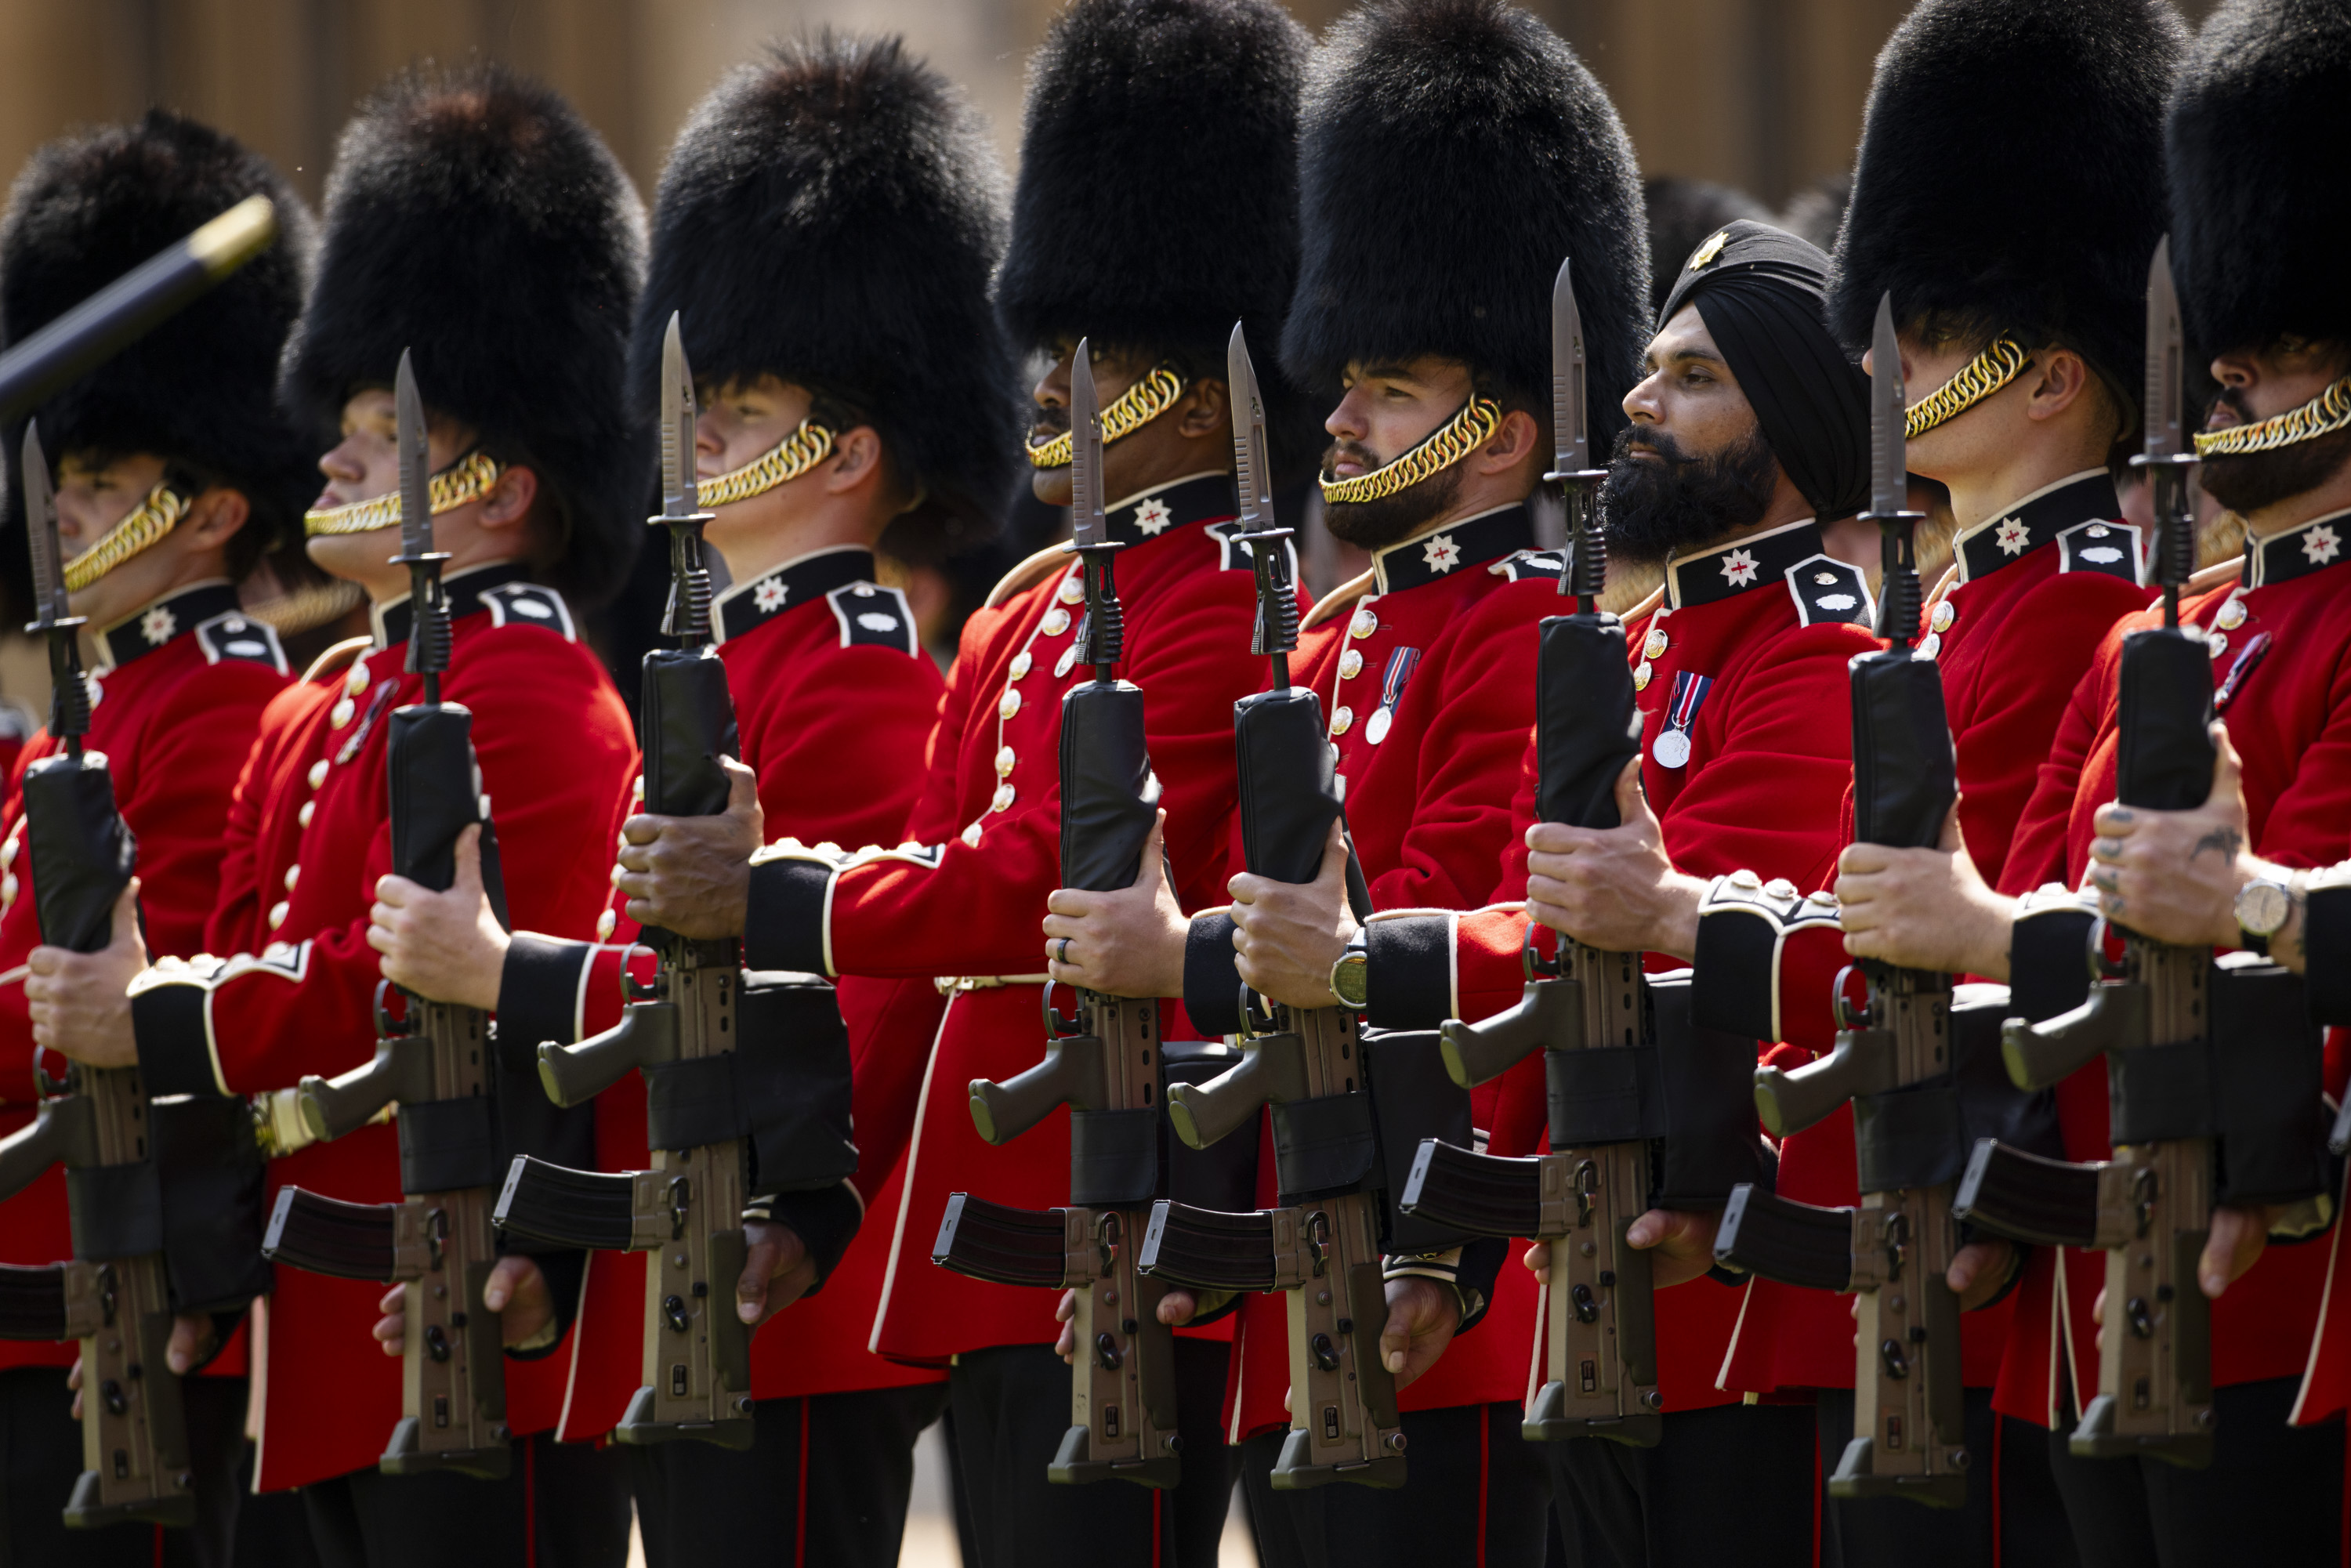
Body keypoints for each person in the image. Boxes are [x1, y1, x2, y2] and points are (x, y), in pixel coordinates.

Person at [600, 2, 1318, 1561]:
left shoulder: (1215, 603)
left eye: (1102, 353)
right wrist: (827, 1197)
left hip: (1131, 1213)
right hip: (982, 1227)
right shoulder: (1017, 604)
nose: (1056, 381)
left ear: (1197, 383)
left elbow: (1022, 878)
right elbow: (929, 911)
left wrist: (771, 888)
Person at [362, 34, 1016, 1568]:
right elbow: (647, 977)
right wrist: (546, 1236)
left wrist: (501, 972)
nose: (697, 431)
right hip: (676, 1269)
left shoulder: (853, 673)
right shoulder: (725, 659)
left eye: (740, 402)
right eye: (700, 398)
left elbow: (838, 1002)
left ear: (848, 449)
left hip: (779, 1283)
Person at [1041, 2, 1647, 1560]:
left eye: (1389, 384)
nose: (1343, 415)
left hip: (1437, 1274)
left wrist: (1441, 1239)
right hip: (1296, 1253)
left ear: (1506, 433)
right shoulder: (1332, 631)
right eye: (1350, 378)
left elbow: (1469, 924)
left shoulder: (1526, 631)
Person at [24, 65, 644, 1567]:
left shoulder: (539, 696)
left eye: (383, 428)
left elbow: (507, 1012)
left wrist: (154, 1019)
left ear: (497, 484)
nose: (337, 457)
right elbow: (256, 958)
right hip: (313, 1319)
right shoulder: (322, 704)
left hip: (472, 1320)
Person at [1830, 0, 2351, 1558]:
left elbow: (2274, 971)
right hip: (2086, 1284)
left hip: (2273, 1293)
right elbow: (2058, 895)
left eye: (2296, 342)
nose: (2240, 364)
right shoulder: (2159, 628)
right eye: (2236, 338)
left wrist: (1985, 934)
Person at [1697, 3, 2181, 1560]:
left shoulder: (2069, 611)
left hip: (1976, 1237)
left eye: (1932, 338)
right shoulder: (1972, 598)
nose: (1883, 365)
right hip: (1889, 1218)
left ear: (2048, 380)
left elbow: (2003, 923)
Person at [0, 109, 319, 1568]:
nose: (60, 508)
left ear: (213, 509)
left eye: (106, 482)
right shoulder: (94, 705)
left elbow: (164, 1019)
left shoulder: (220, 706)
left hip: (110, 1307)